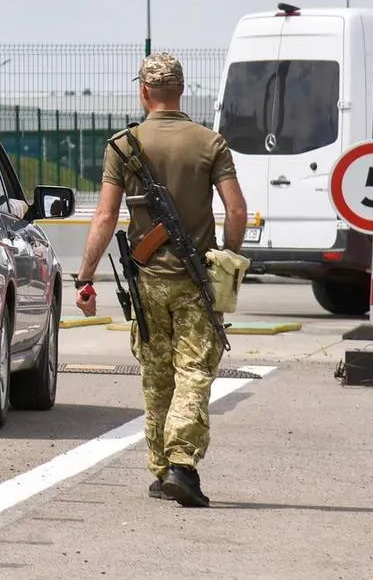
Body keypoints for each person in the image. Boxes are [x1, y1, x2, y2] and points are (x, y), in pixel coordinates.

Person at [74, 53, 247, 508]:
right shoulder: (211, 143)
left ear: (144, 92)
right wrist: (229, 258)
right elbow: (236, 211)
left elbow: (107, 216)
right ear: (181, 91)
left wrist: (85, 277)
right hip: (196, 280)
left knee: (155, 374)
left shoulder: (124, 145)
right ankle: (181, 465)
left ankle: (160, 468)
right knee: (194, 371)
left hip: (147, 280)